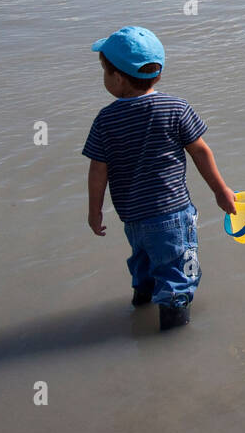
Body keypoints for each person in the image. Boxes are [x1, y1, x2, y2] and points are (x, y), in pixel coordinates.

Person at [82, 26, 236, 331]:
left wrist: (95, 210)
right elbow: (200, 152)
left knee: (144, 266)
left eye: (103, 70)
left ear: (118, 78)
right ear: (158, 74)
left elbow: (98, 169)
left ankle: (140, 307)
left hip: (133, 217)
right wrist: (221, 190)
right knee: (178, 276)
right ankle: (173, 333)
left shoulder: (106, 119)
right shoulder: (176, 108)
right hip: (172, 216)